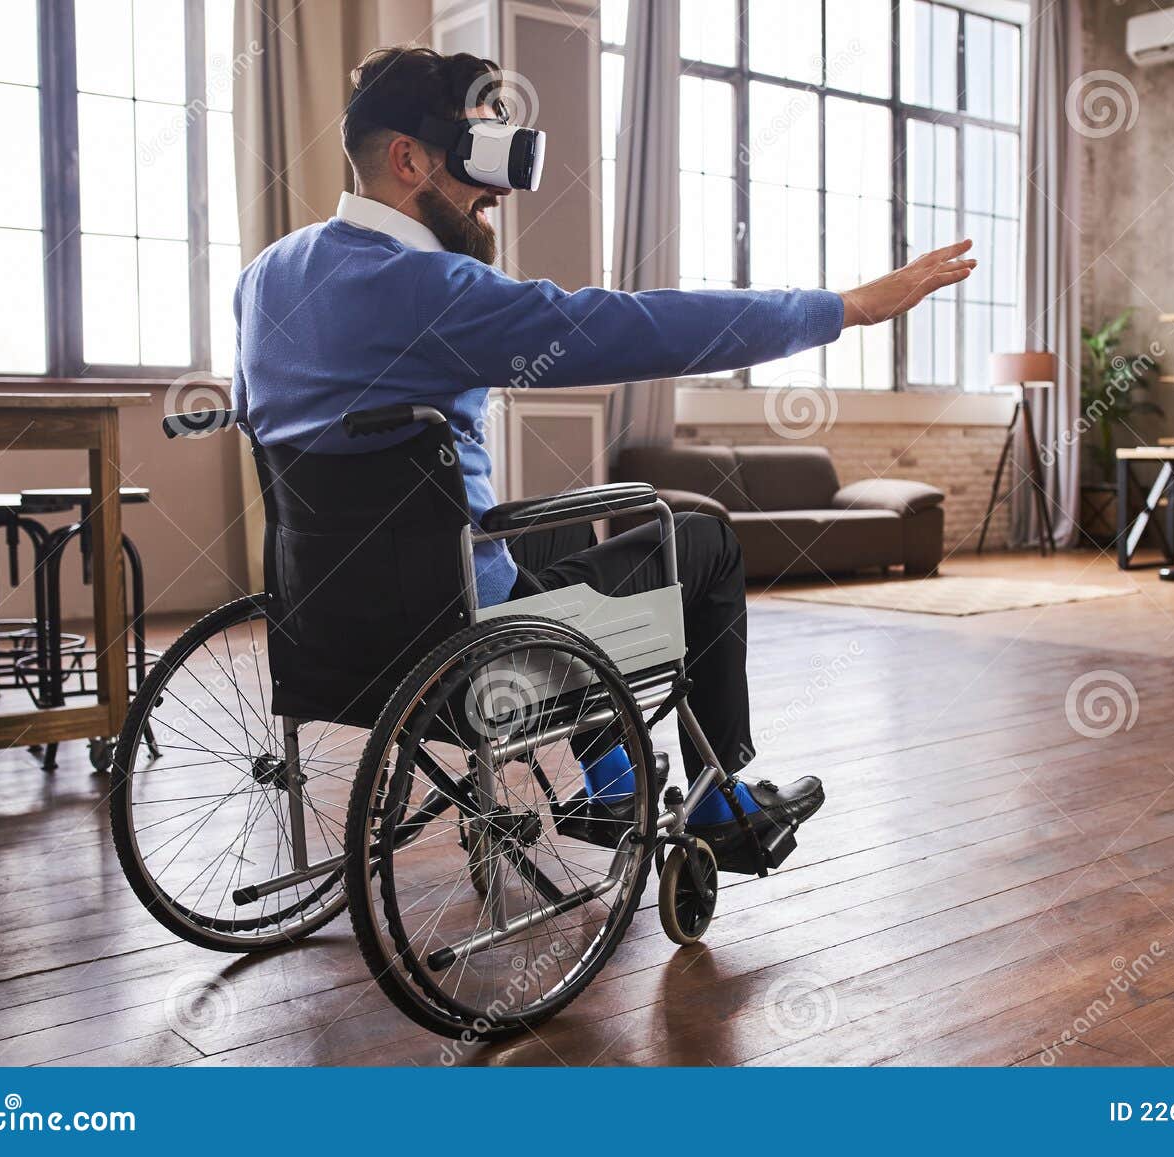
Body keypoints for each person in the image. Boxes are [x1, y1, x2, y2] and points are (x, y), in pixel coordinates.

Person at [234, 46, 976, 872]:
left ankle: (615, 783)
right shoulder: (432, 290)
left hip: (327, 625)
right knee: (701, 537)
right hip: (450, 630)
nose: (499, 194)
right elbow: (639, 323)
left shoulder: (266, 276)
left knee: (556, 539)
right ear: (408, 158)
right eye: (479, 159)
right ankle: (724, 801)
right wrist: (844, 309)